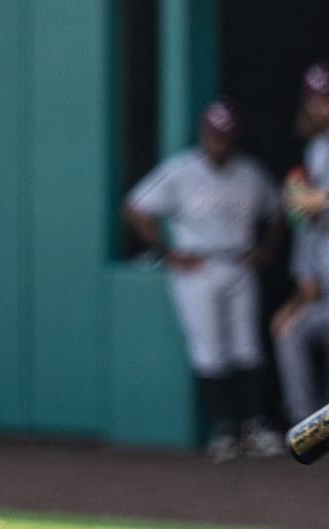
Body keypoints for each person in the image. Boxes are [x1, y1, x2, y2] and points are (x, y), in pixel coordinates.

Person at [123, 99, 283, 461]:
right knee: (209, 348)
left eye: (225, 137)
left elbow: (277, 212)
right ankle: (223, 430)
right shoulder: (181, 169)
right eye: (214, 136)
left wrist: (266, 250)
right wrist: (166, 251)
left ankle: (254, 425)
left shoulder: (250, 171)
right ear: (203, 135)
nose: (219, 143)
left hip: (238, 262)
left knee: (247, 346)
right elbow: (134, 207)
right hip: (197, 265)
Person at [275, 63, 329, 433]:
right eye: (315, 100)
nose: (321, 107)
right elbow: (308, 223)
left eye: (328, 98)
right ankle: (307, 425)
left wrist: (322, 200)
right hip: (326, 271)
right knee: (289, 329)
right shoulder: (317, 147)